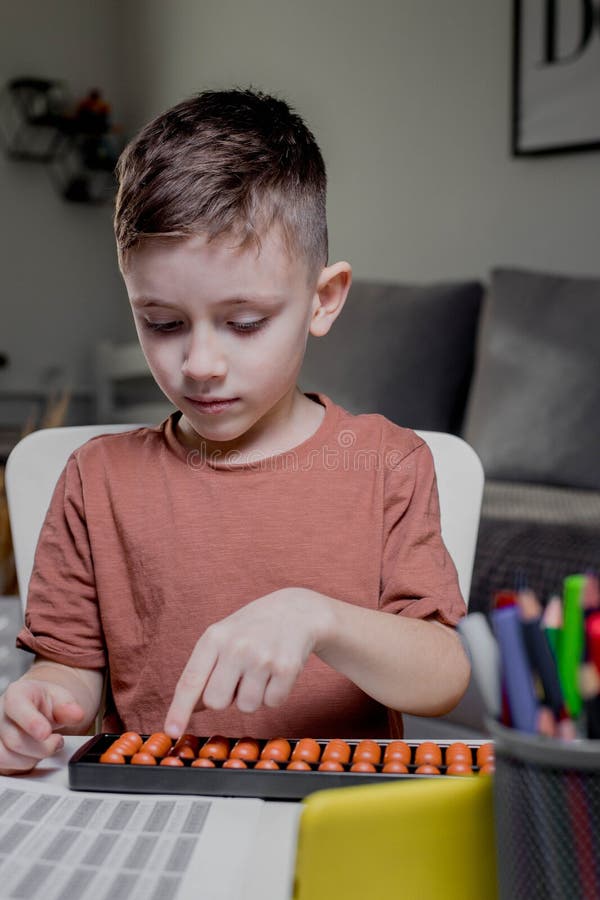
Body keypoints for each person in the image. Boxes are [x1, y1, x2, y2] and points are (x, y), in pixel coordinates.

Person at [0, 88, 470, 774]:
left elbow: (442, 676)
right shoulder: (96, 479)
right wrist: (39, 704)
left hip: (329, 813)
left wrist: (320, 617)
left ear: (323, 300)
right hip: (155, 815)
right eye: (161, 322)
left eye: (244, 322)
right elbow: (67, 671)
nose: (200, 364)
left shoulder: (387, 464)